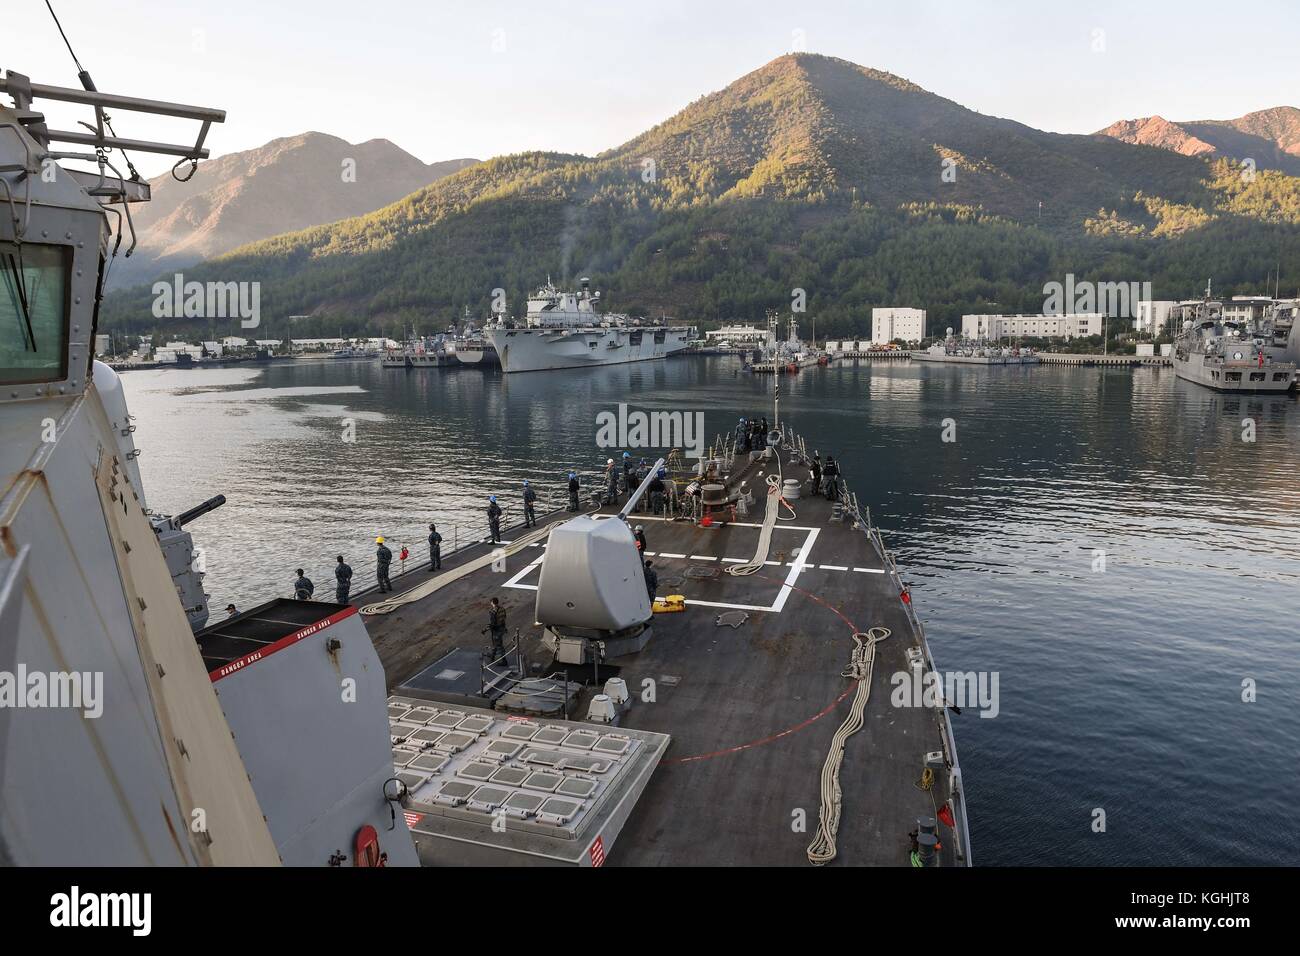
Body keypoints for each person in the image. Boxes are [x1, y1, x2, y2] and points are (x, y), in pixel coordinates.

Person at [485, 597, 507, 661]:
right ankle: (492, 656)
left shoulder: (492, 611)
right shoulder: (502, 609)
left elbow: (492, 623)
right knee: (496, 644)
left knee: (499, 645)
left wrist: (485, 629)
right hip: (502, 629)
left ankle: (504, 660)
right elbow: (504, 618)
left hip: (496, 631)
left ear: (492, 602)